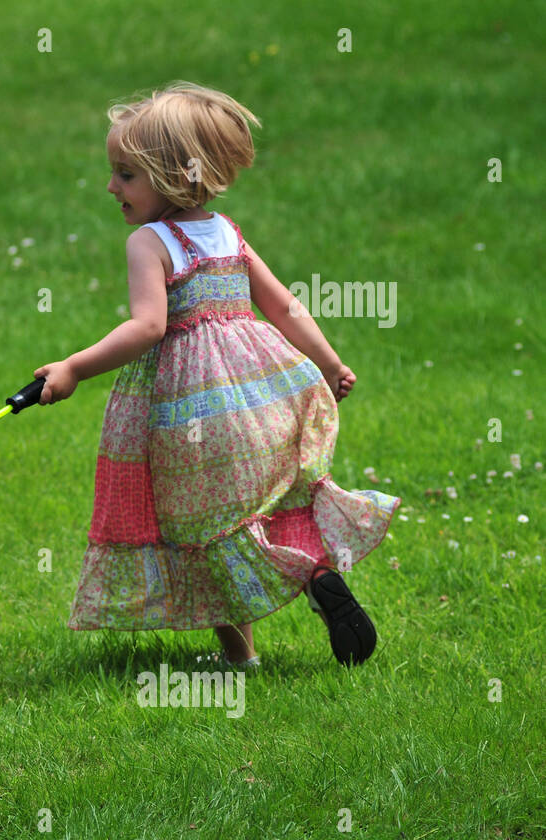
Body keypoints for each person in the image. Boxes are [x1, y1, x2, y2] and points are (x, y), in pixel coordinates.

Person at [34, 82, 398, 668]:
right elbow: (285, 308)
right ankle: (313, 571)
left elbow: (149, 327)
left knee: (203, 530)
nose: (111, 187)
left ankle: (240, 657)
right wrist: (329, 364)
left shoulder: (149, 242)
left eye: (126, 175)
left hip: (192, 418)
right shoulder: (228, 233)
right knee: (271, 506)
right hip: (260, 405)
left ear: (172, 176)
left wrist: (74, 367)